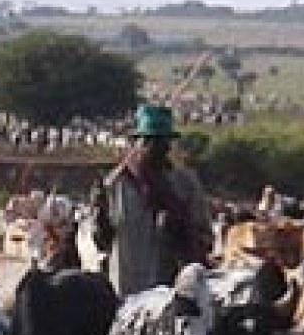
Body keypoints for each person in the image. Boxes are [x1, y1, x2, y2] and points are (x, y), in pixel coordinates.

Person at [91, 103, 214, 296]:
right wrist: (99, 216)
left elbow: (205, 239)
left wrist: (178, 232)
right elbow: (101, 242)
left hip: (169, 292)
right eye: (148, 140)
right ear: (137, 142)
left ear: (168, 144)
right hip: (126, 292)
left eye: (160, 141)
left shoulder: (185, 184)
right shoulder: (114, 185)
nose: (153, 147)